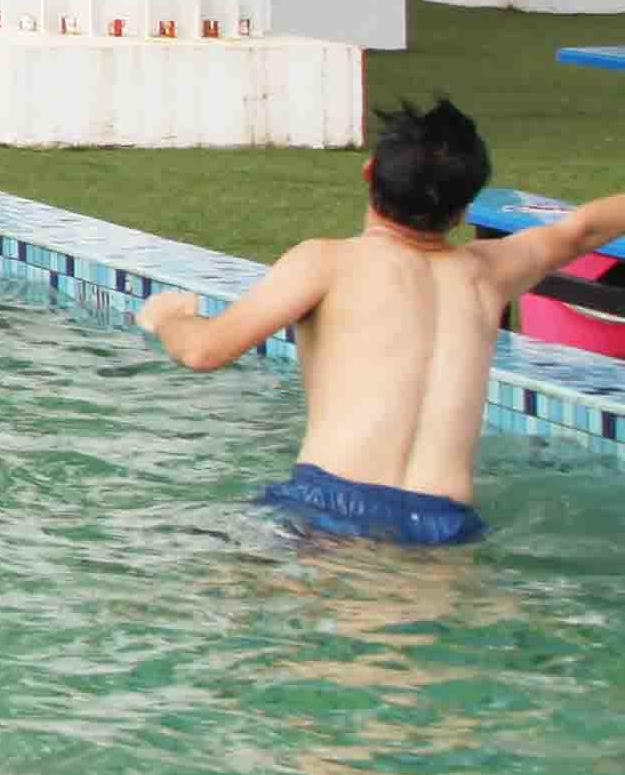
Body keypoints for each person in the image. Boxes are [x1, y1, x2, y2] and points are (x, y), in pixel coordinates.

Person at [136, 95, 625, 546]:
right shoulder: (489, 273)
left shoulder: (327, 262)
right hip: (445, 526)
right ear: (465, 207)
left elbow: (203, 351)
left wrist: (168, 319)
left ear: (369, 173)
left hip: (328, 508)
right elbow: (581, 230)